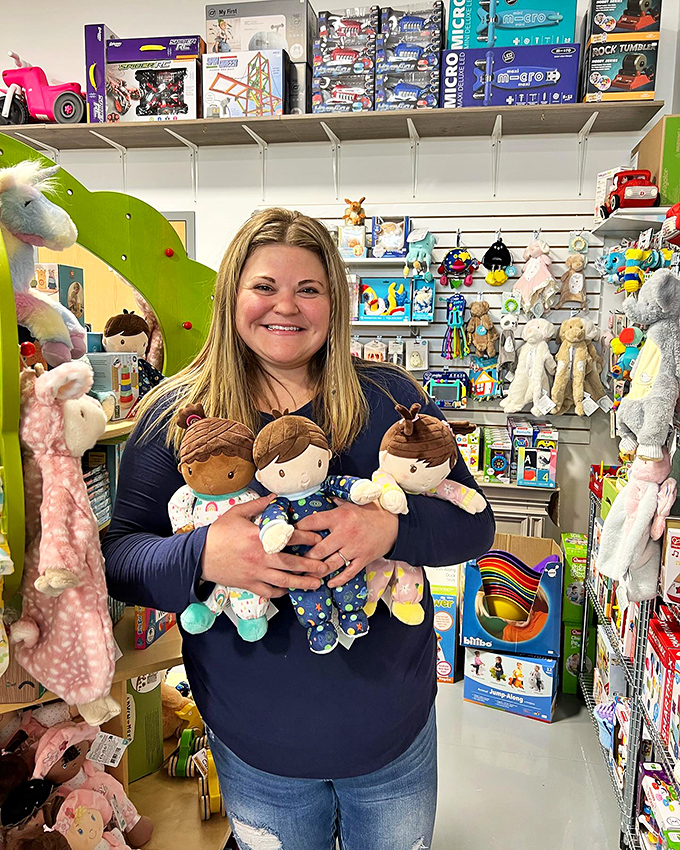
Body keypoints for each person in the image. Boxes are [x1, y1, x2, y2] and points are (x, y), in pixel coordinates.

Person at [103, 208, 495, 849]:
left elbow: (472, 526)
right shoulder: (176, 416)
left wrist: (387, 531)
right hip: (257, 743)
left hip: (391, 732)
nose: (285, 307)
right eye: (264, 287)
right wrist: (203, 554)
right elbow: (118, 554)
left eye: (307, 289)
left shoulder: (388, 400)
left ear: (333, 302)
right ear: (232, 294)